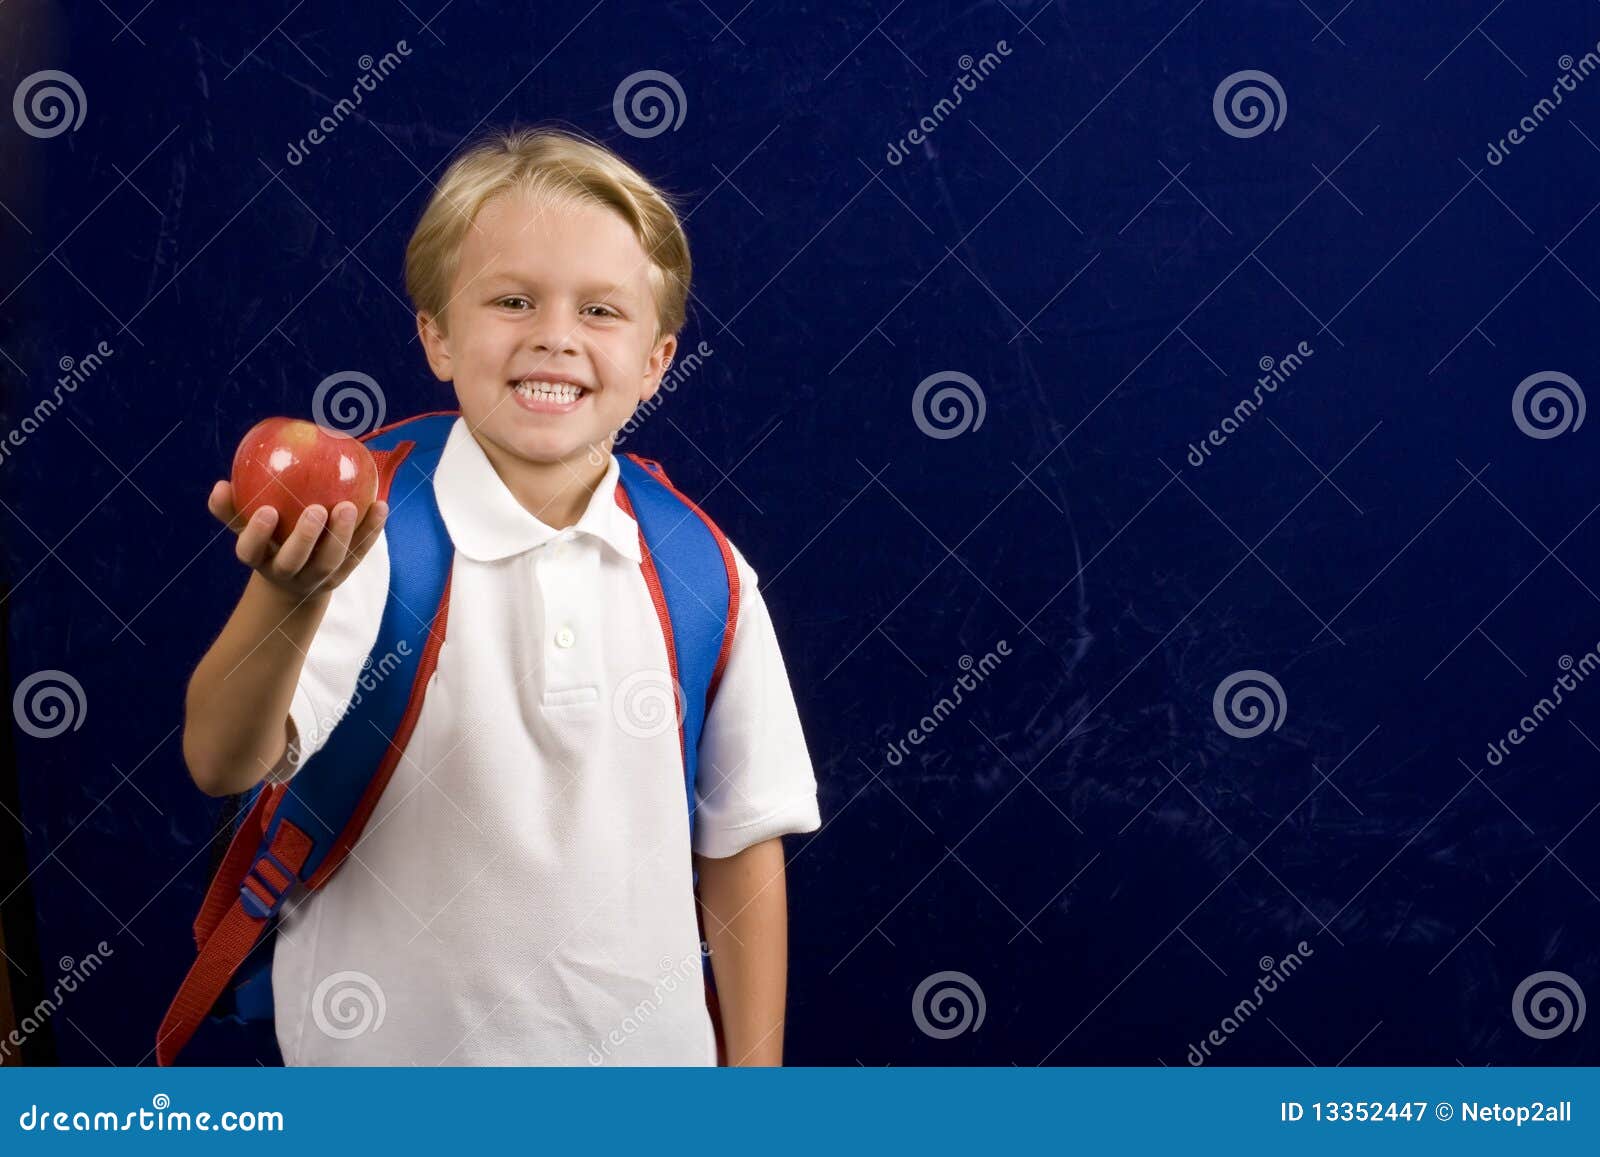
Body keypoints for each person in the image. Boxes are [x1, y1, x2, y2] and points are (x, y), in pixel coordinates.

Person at [179, 124, 821, 1065]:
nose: (555, 336)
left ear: (656, 360)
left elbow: (741, 846)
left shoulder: (702, 567)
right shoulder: (371, 540)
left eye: (601, 311)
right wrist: (289, 596)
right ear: (436, 334)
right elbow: (220, 759)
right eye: (512, 300)